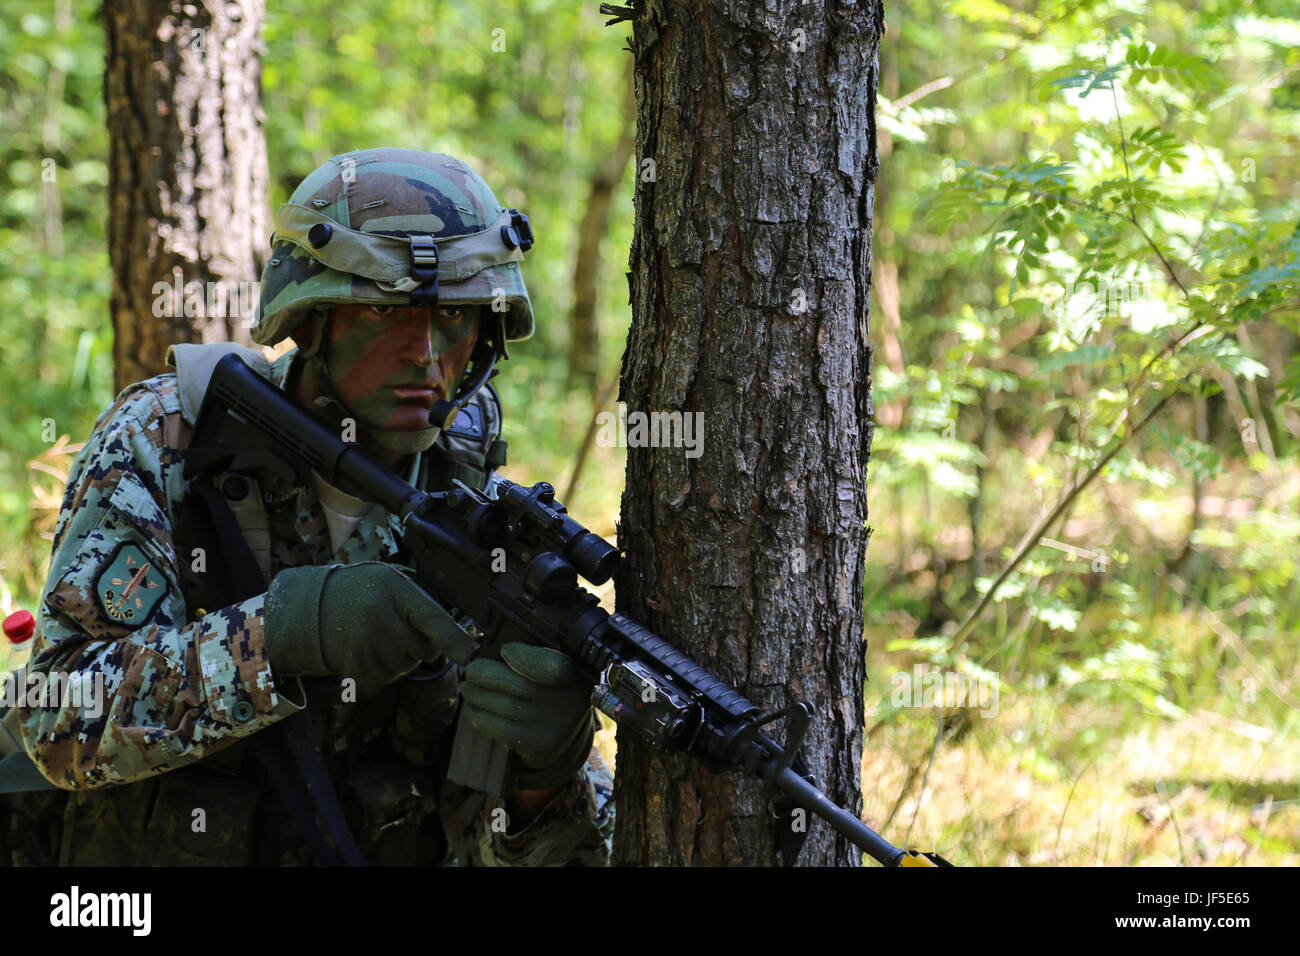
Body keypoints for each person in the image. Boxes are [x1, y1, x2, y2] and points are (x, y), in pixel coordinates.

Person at [0, 148, 613, 866]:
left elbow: (503, 847)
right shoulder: (170, 438)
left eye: (454, 314)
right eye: (385, 310)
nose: (425, 351)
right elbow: (53, 718)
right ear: (310, 318)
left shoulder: (466, 487)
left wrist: (545, 781)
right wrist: (284, 634)